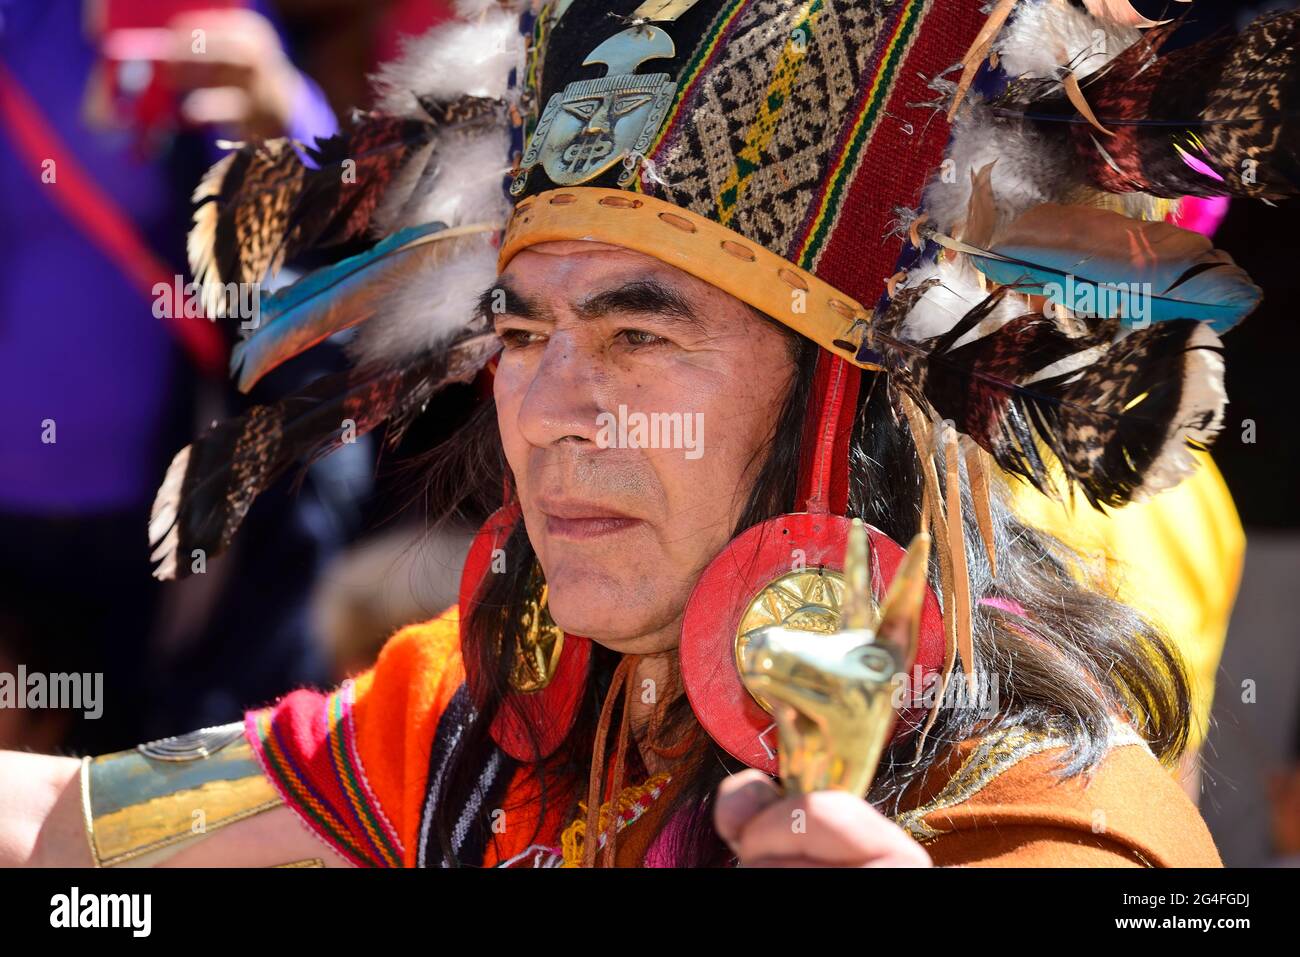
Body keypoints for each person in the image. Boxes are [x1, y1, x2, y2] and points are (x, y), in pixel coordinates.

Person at [4, 0, 1295, 868]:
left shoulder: (1047, 822)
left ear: (835, 397)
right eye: (519, 334)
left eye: (639, 337)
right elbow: (79, 825)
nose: (552, 411)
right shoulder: (489, 716)